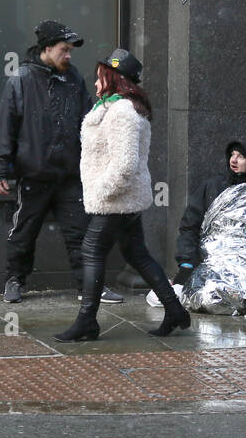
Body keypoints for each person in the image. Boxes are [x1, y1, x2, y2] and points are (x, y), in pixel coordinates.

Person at [55, 49, 189, 342]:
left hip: (115, 199)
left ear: (115, 78)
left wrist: (101, 192)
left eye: (101, 77)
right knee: (137, 253)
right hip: (120, 199)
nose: (95, 82)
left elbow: (125, 164)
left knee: (91, 251)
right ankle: (175, 310)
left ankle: (87, 322)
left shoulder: (122, 112)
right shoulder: (114, 108)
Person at [0, 20, 120, 305]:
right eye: (64, 49)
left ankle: (89, 287)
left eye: (70, 50)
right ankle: (14, 280)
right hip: (34, 174)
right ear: (46, 48)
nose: (69, 56)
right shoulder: (21, 80)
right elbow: (4, 126)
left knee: (80, 233)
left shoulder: (73, 79)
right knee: (23, 232)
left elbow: (87, 123)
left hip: (69, 174)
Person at [174, 140, 246, 287]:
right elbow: (190, 226)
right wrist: (187, 262)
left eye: (240, 156)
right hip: (212, 259)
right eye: (232, 154)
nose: (233, 160)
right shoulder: (213, 186)